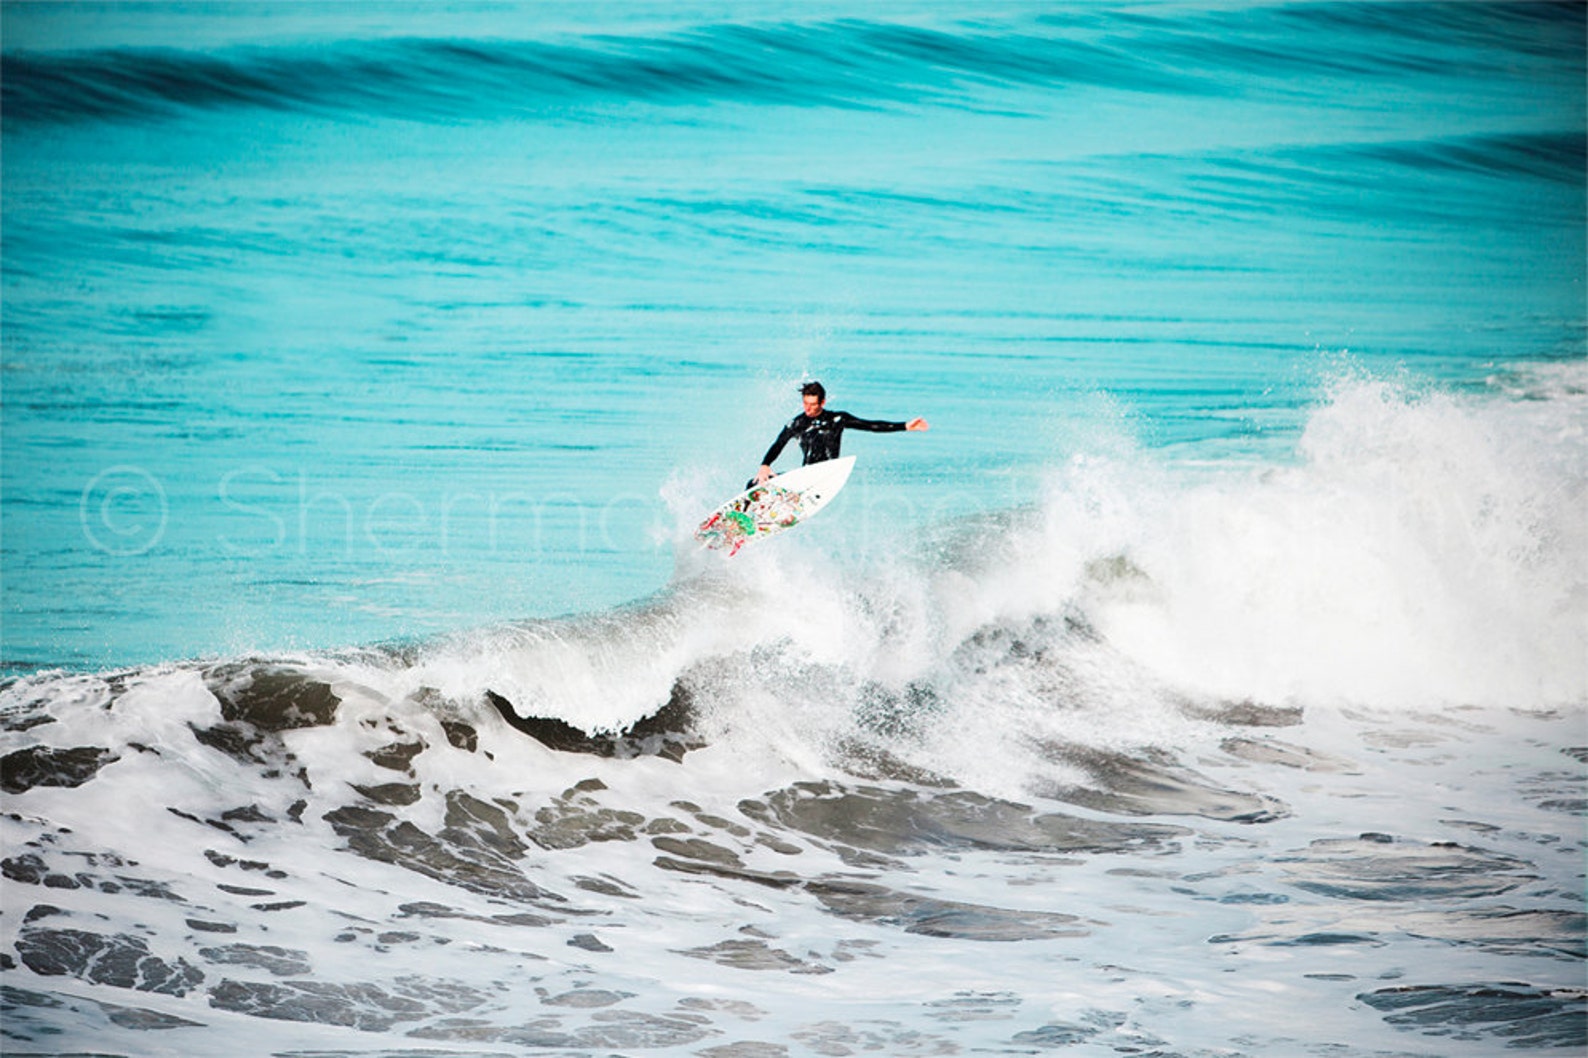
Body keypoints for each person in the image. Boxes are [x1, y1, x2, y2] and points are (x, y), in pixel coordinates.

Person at [752, 381, 928, 485]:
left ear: (822, 402)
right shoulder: (798, 423)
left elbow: (871, 425)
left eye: (812, 404)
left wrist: (905, 425)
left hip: (828, 473)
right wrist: (765, 465)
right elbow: (778, 444)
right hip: (805, 476)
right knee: (755, 483)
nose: (808, 408)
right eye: (805, 403)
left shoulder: (837, 419)